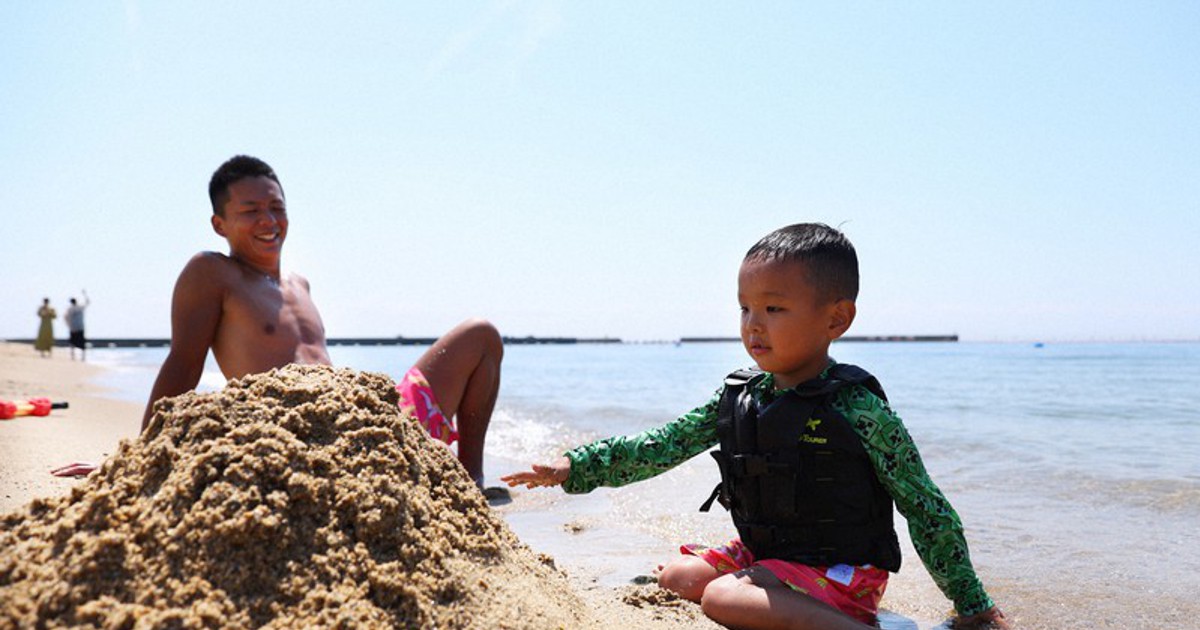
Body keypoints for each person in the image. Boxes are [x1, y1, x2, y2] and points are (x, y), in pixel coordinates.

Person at [503, 224, 1008, 629]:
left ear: (837, 319)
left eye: (773, 308)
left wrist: (973, 604)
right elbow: (662, 444)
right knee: (679, 578)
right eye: (744, 308)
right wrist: (577, 466)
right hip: (771, 553)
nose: (752, 325)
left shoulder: (858, 408)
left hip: (842, 570)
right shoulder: (742, 395)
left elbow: (926, 507)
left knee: (721, 596)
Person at [141, 155, 504, 493]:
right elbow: (184, 363)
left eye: (276, 208)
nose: (268, 220)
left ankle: (469, 480)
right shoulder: (213, 272)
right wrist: (143, 458)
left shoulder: (299, 285)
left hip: (372, 426)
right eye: (251, 210)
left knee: (481, 335)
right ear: (219, 225)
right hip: (307, 438)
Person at [63, 290, 91, 361]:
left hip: (74, 328)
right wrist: (85, 294)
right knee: (80, 343)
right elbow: (88, 302)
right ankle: (81, 357)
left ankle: (74, 357)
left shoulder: (70, 309)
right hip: (79, 327)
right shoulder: (78, 307)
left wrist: (68, 325)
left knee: (74, 343)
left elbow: (65, 318)